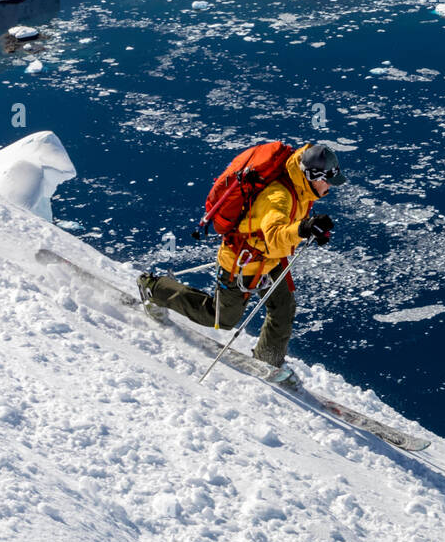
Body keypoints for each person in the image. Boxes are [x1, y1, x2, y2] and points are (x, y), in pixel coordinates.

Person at [138, 143, 345, 371]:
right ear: (311, 175)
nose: (330, 187)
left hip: (269, 259)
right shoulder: (278, 197)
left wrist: (309, 229)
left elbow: (285, 227)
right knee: (221, 318)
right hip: (242, 261)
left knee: (283, 307)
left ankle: (268, 363)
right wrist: (302, 229)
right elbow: (275, 235)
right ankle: (154, 289)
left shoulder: (301, 187)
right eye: (327, 180)